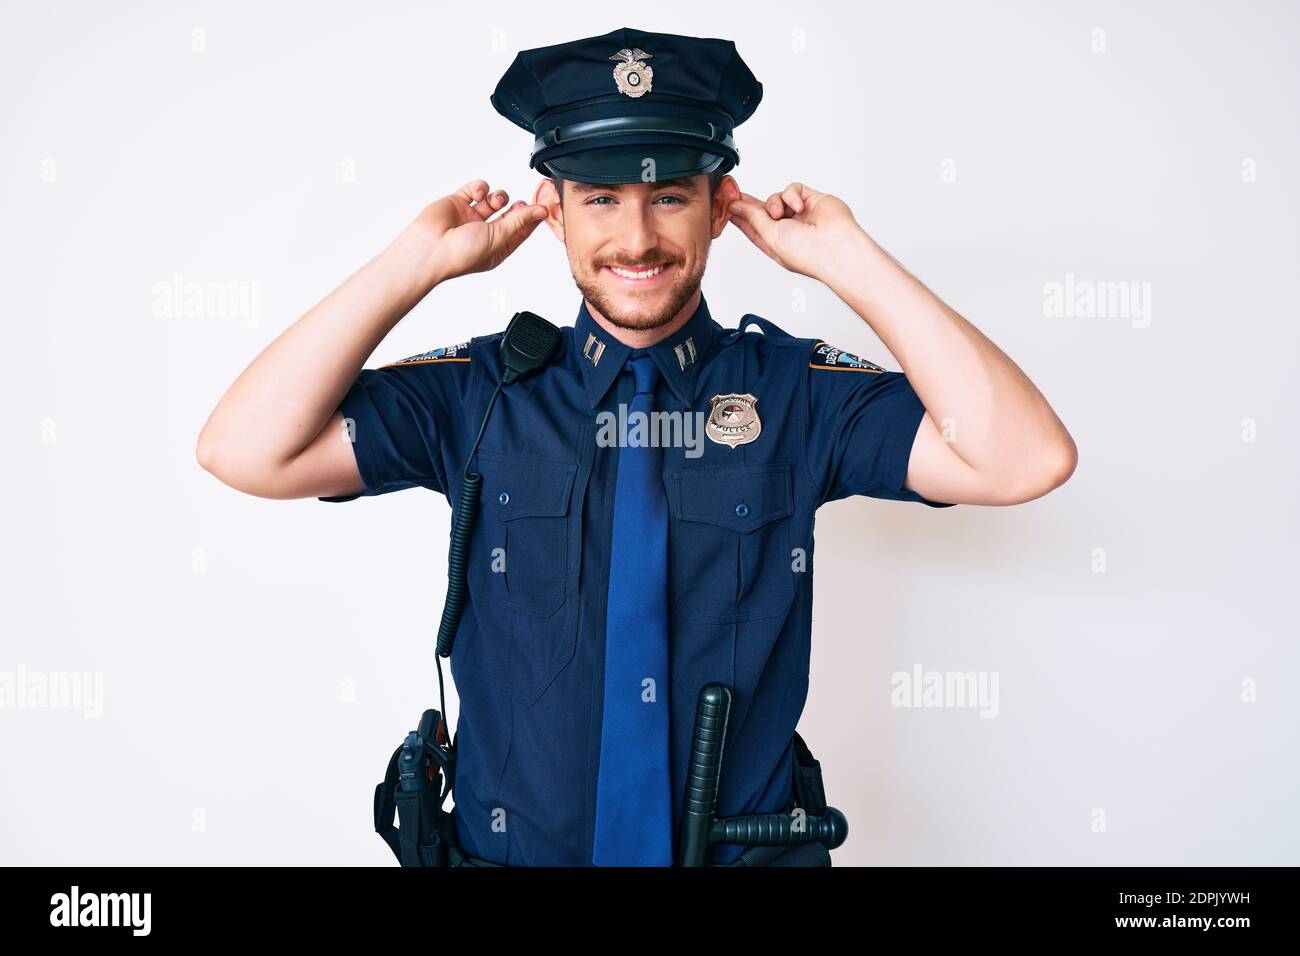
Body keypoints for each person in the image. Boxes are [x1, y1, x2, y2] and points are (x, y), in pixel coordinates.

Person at [196, 26, 1077, 866]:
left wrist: (847, 259)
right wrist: (414, 265)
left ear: (719, 207)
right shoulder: (480, 390)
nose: (638, 238)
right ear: (554, 212)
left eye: (668, 197)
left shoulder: (795, 393)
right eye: (601, 199)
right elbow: (244, 449)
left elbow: (1022, 459)